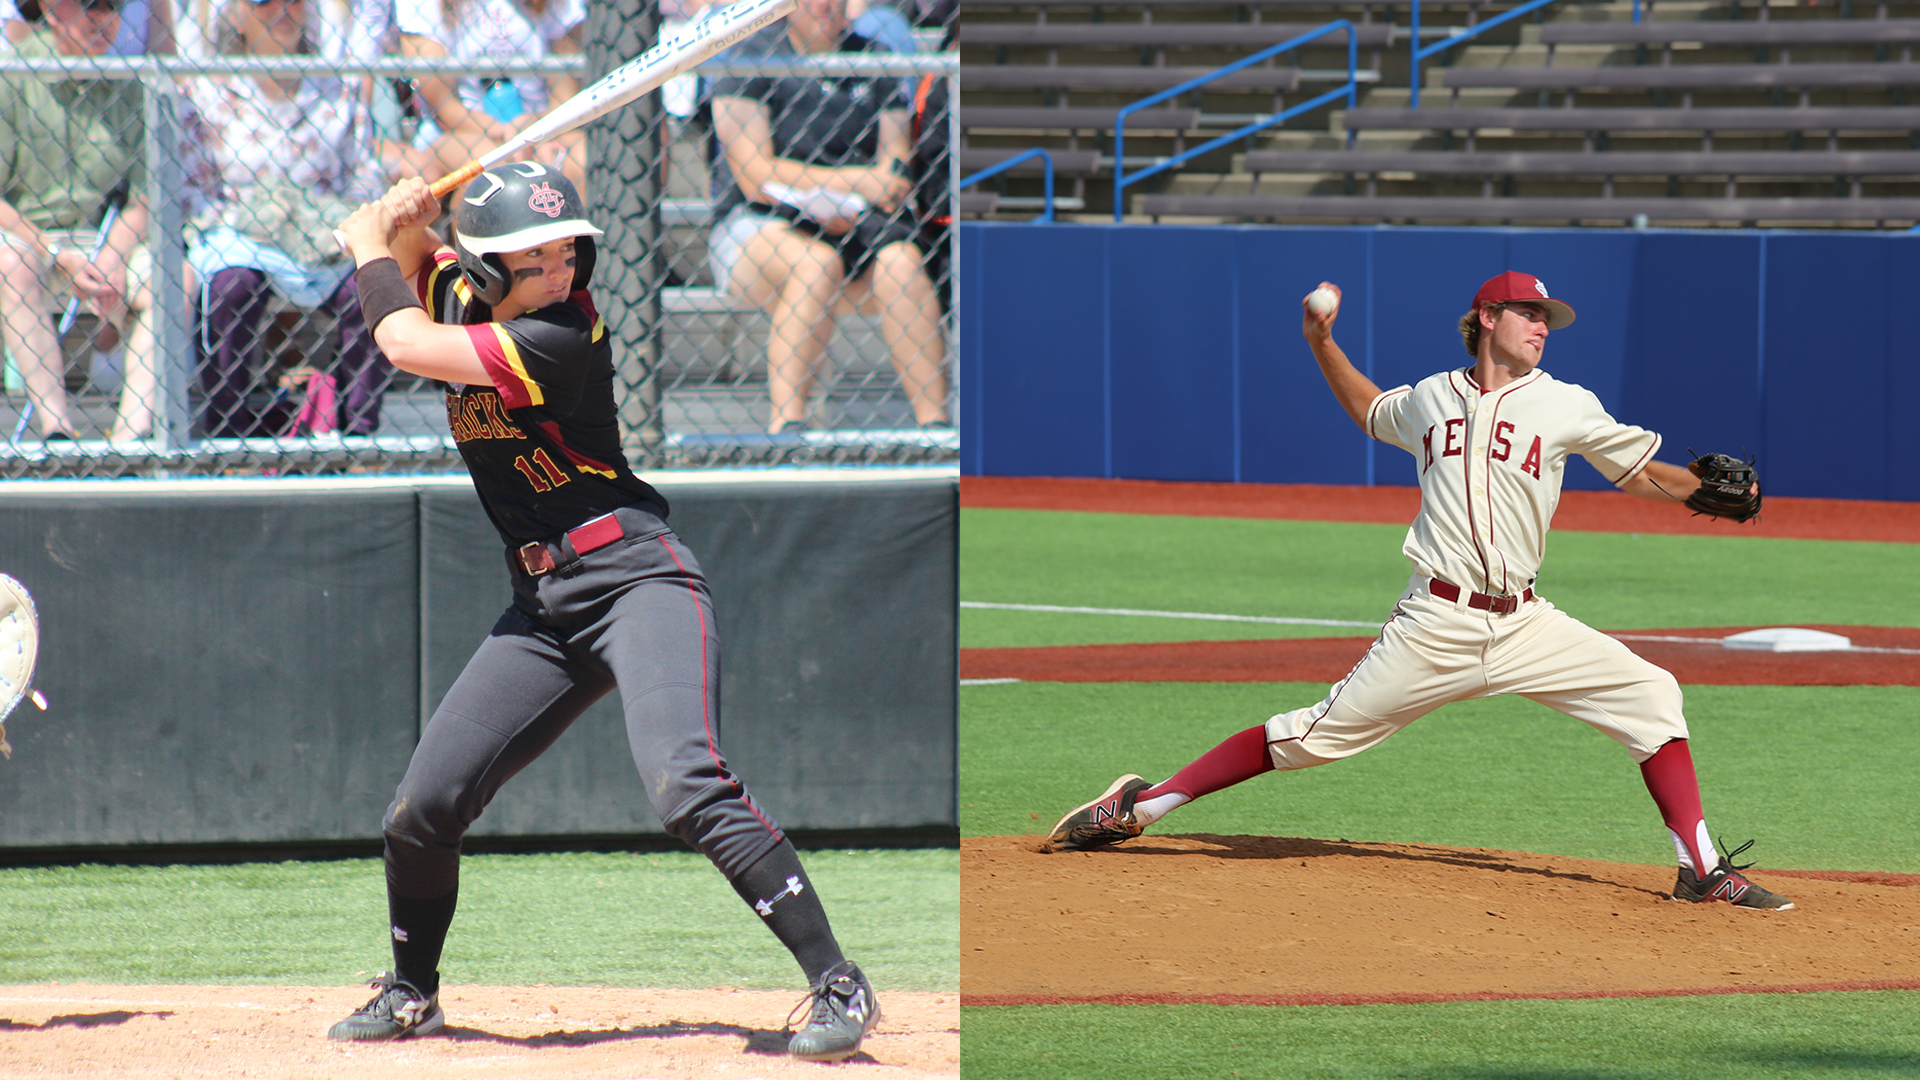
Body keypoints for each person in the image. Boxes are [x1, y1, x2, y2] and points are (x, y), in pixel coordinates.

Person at [328, 163, 880, 1059]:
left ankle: (839, 982)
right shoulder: (464, 293)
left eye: (566, 254)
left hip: (635, 580)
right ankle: (412, 992)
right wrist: (404, 216)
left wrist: (365, 240)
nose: (558, 272)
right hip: (543, 608)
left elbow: (400, 340)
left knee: (685, 783)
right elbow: (416, 256)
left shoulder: (560, 331)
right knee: (421, 807)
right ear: (488, 269)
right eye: (534, 260)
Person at [1046, 270, 1794, 913]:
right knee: (1312, 740)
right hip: (1436, 621)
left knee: (1652, 693)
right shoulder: (1433, 397)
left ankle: (1700, 871)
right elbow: (1371, 411)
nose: (1543, 326)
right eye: (1530, 313)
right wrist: (1321, 341)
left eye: (1548, 318)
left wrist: (1703, 491)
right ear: (1488, 318)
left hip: (1526, 623)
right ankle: (1139, 805)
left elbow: (1638, 471)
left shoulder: (1567, 403)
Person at [120, 0, 393, 439]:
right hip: (242, 235)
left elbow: (364, 178)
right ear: (235, 14)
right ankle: (230, 435)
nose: (281, 9)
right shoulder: (208, 89)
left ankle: (356, 434)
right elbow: (193, 189)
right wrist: (250, 222)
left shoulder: (338, 86)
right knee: (232, 285)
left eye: (294, 0)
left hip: (322, 236)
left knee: (371, 286)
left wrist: (341, 227)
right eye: (263, 1)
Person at [707, 0, 949, 434]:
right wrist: (855, 182)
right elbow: (755, 176)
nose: (826, 4)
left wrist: (858, 194)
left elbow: (893, 167)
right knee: (816, 264)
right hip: (762, 222)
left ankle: (935, 427)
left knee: (902, 263)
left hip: (857, 222)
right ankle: (788, 429)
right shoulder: (749, 56)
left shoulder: (873, 56)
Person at [0, 0, 155, 441]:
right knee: (11, 264)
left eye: (112, 6)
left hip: (103, 239)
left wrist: (112, 256)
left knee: (174, 278)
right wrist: (55, 253)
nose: (101, 17)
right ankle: (57, 432)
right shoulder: (12, 75)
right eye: (88, 4)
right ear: (51, 8)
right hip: (27, 235)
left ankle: (131, 442)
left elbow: (144, 200)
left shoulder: (132, 81)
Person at [387, 0, 586, 192]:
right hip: (460, 131)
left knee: (582, 159)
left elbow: (564, 98)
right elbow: (444, 107)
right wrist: (507, 136)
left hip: (540, 125)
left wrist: (533, 129)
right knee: (494, 173)